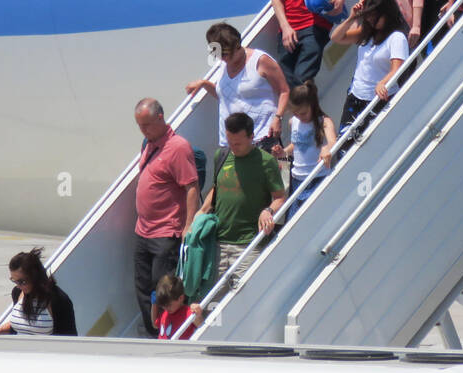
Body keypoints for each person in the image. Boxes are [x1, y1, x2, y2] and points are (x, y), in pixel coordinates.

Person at [129, 97, 200, 337]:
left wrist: (188, 225)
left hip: (166, 233)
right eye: (140, 126)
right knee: (142, 288)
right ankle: (152, 332)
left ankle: (167, 334)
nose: (144, 130)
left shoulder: (178, 147)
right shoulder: (148, 143)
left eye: (147, 125)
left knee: (163, 290)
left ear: (160, 118)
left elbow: (191, 186)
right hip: (143, 231)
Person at [196, 112, 285, 295]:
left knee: (245, 298)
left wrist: (268, 210)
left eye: (238, 143)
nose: (233, 147)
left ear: (252, 137)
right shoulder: (221, 155)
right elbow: (216, 188)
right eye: (230, 142)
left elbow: (280, 197)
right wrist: (199, 216)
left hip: (248, 245)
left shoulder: (266, 162)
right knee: (213, 301)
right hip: (218, 244)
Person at [186, 22, 289, 152]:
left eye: (225, 54)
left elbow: (284, 90)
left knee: (281, 171)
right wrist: (204, 84)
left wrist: (278, 117)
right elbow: (227, 97)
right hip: (230, 143)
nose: (223, 59)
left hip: (262, 136)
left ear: (236, 45)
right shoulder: (223, 65)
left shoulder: (260, 60)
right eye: (219, 55)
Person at [329, 0, 411, 130]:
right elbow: (336, 37)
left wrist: (383, 82)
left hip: (378, 100)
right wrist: (352, 18)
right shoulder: (366, 34)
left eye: (375, 16)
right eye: (368, 16)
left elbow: (397, 68)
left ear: (386, 14)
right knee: (344, 147)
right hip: (355, 96)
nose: (371, 21)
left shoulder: (397, 37)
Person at [0, 248, 77, 336]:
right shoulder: (17, 292)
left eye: (22, 282)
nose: (18, 286)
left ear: (35, 277)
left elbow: (69, 338)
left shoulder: (58, 300)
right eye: (14, 280)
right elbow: (22, 324)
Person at [282, 81, 339, 219]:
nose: (300, 116)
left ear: (312, 106)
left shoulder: (324, 122)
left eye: (303, 113)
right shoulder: (293, 122)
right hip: (297, 179)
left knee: (318, 216)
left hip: (317, 177)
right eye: (296, 113)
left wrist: (326, 148)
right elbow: (297, 144)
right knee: (294, 220)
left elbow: (333, 142)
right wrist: (284, 152)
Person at [154, 275, 202, 340]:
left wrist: (198, 314)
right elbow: (155, 325)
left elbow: (201, 326)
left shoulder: (188, 313)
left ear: (181, 298)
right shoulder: (165, 312)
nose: (165, 308)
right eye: (163, 306)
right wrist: (153, 305)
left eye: (169, 305)